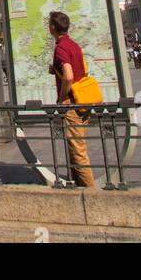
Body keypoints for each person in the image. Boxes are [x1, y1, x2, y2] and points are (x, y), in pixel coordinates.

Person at [47, 11, 95, 188]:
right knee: (75, 149)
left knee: (78, 152)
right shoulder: (74, 45)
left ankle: (92, 195)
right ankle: (79, 188)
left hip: (72, 102)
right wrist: (55, 70)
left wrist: (62, 98)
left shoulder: (60, 48)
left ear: (53, 27)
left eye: (49, 24)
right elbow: (77, 69)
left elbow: (68, 75)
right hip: (83, 100)